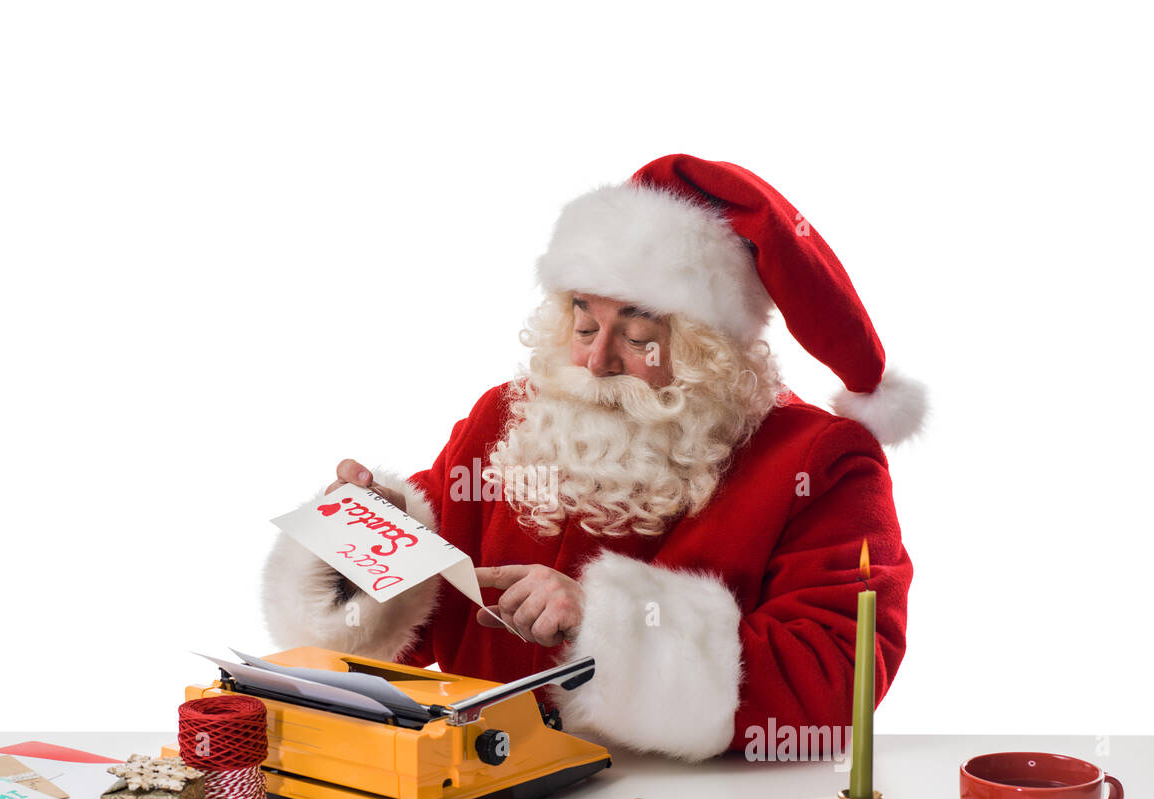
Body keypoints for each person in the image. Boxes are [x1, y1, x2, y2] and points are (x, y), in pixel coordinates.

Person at [262, 155, 926, 762]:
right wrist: (366, 544)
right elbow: (410, 632)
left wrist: (608, 625)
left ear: (710, 349)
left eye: (637, 334)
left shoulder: (821, 461)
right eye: (584, 323)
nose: (596, 360)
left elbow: (837, 677)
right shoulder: (509, 420)